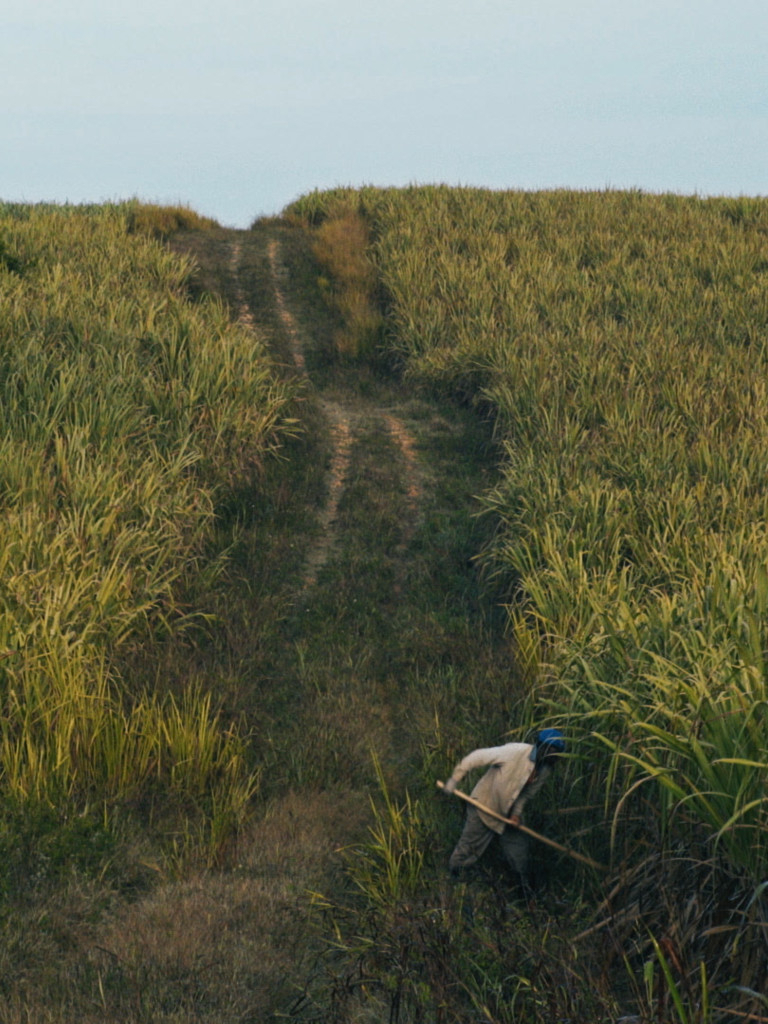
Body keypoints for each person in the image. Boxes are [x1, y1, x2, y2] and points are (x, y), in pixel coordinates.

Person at [443, 728, 566, 885]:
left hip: (507, 816)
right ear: (542, 747)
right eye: (552, 752)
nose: (554, 757)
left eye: (557, 754)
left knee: (519, 853)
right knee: (467, 850)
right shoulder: (514, 752)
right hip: (484, 805)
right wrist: (455, 778)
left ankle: (523, 890)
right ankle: (452, 883)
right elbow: (477, 757)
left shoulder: (545, 769)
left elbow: (525, 795)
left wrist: (516, 814)